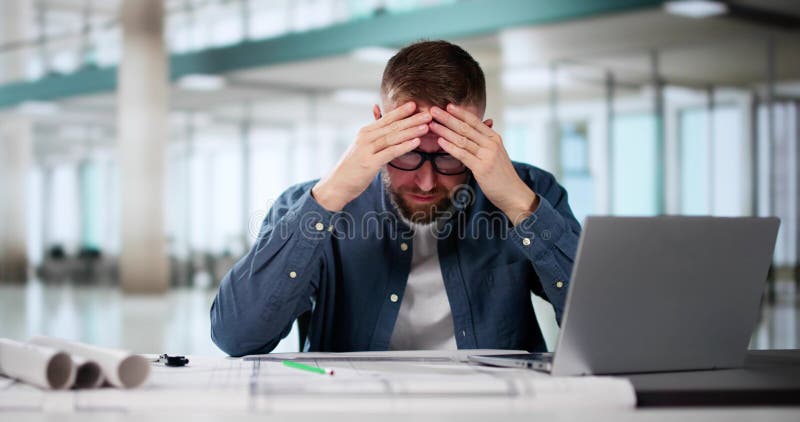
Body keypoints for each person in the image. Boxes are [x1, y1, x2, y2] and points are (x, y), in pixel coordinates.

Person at [210, 40, 581, 356]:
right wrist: (330, 196)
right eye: (407, 152)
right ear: (378, 126)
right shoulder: (312, 203)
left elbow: (600, 329)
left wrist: (520, 206)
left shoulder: (530, 190)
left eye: (451, 155)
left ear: (482, 135)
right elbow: (236, 337)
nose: (425, 182)